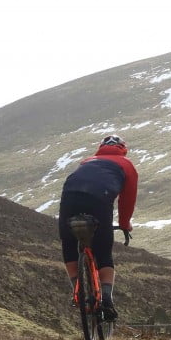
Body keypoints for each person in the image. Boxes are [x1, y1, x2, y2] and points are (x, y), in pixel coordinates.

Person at [57, 134, 138, 320]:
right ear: (123, 149)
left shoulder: (87, 161)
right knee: (103, 250)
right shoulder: (126, 165)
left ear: (100, 148)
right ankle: (107, 298)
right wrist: (124, 224)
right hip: (99, 199)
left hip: (70, 195)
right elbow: (127, 200)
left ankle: (78, 292)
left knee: (69, 243)